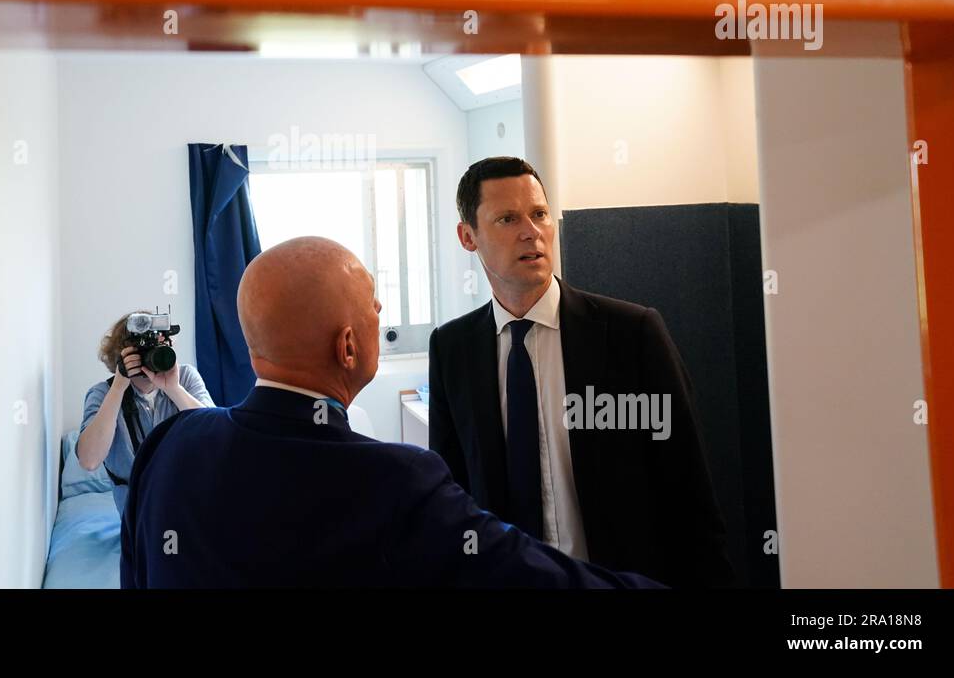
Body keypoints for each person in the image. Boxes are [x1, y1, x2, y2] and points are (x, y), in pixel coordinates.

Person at [119, 236, 661, 588]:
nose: (382, 315)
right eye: (375, 306)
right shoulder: (393, 481)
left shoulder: (169, 445)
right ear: (348, 347)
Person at [430, 156, 734, 587]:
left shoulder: (631, 334)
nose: (530, 232)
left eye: (538, 214)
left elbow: (689, 490)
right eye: (507, 218)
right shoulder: (452, 348)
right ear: (468, 237)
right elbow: (452, 492)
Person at [77, 310, 214, 517]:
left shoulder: (185, 378)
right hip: (139, 517)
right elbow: (89, 461)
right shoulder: (103, 394)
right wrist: (119, 386)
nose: (149, 355)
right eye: (141, 350)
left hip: (191, 507)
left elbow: (215, 438)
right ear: (121, 355)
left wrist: (173, 388)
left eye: (155, 346)